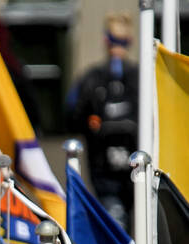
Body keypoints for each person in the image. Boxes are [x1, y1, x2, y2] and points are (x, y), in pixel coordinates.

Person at [66, 13, 139, 228]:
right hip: (104, 171)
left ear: (130, 43)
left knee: (146, 226)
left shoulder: (140, 79)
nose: (117, 48)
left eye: (122, 42)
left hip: (137, 171)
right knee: (115, 222)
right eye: (114, 41)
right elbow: (72, 116)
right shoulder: (92, 79)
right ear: (105, 41)